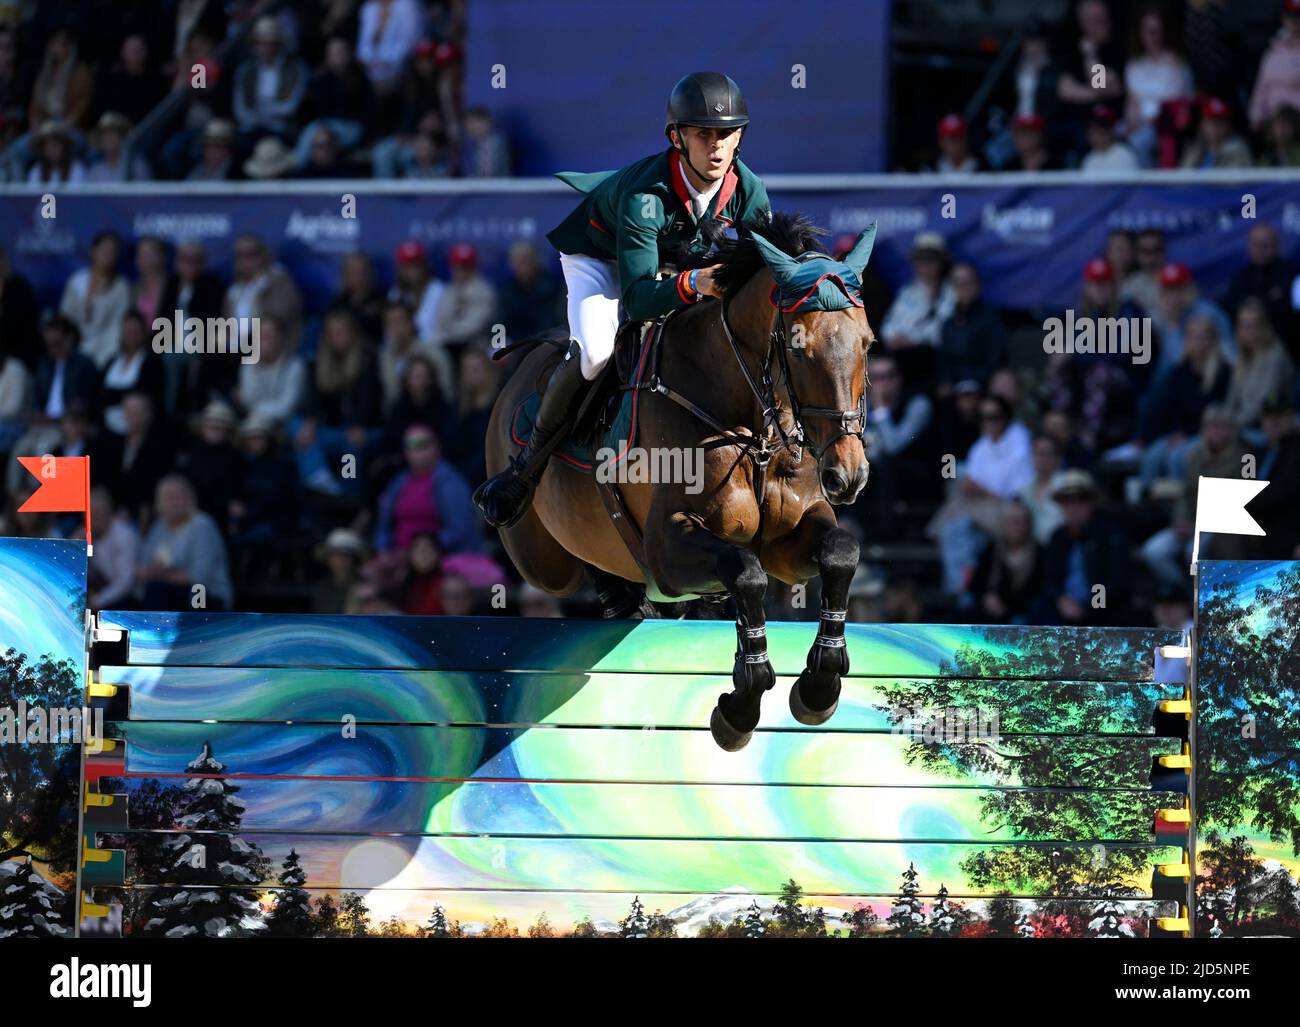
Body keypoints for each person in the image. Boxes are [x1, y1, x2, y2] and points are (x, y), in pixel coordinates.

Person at [475, 72, 770, 527]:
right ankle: (525, 468)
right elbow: (636, 300)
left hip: (667, 264)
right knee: (597, 351)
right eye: (703, 134)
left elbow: (766, 267)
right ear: (677, 137)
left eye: (726, 134)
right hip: (599, 260)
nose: (716, 146)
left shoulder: (747, 191)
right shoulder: (645, 196)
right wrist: (694, 285)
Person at [1035, 469, 1130, 625]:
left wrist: (1088, 606)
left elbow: (1117, 582)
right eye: (1067, 500)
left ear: (1092, 502)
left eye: (1081, 499)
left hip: (1101, 614)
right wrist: (1061, 600)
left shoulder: (1110, 535)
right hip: (1062, 613)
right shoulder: (1058, 537)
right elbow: (1050, 580)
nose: (1074, 507)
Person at [375, 423, 482, 554]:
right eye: (411, 445)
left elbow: (459, 530)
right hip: (399, 557)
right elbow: (383, 526)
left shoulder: (450, 481)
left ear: (437, 446)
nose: (417, 451)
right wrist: (384, 550)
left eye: (423, 444)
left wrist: (419, 552)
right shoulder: (399, 480)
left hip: (440, 557)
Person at [136, 474, 233, 610]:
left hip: (205, 596)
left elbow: (198, 577)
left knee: (158, 589)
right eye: (168, 497)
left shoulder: (202, 525)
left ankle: (162, 630)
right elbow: (143, 568)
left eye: (179, 496)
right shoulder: (159, 527)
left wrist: (157, 574)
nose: (174, 502)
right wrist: (152, 573)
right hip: (172, 592)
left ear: (190, 499)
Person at [1122, 8, 1193, 164]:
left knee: (1138, 142)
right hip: (1135, 122)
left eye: (1156, 31)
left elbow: (1172, 104)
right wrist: (1131, 122)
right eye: (1148, 31)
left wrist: (1141, 125)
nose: (1152, 36)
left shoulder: (1176, 63)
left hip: (1165, 124)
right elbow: (1129, 99)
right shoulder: (1132, 65)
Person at [60, 230, 130, 369]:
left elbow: (117, 325)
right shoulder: (77, 281)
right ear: (93, 251)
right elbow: (65, 316)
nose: (108, 255)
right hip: (73, 347)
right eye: (105, 249)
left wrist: (94, 350)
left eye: (113, 252)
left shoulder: (121, 286)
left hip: (105, 351)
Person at [232, 16, 308, 144]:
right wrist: (259, 116)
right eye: (260, 43)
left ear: (278, 44)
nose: (264, 48)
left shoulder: (295, 69)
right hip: (251, 127)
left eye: (269, 43)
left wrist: (263, 110)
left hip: (281, 128)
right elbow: (240, 109)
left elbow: (291, 106)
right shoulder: (246, 71)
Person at [1225, 298, 1294, 432]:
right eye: (1244, 325)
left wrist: (1233, 424)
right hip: (1239, 424)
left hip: (1267, 427)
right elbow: (1232, 397)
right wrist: (1224, 420)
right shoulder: (1243, 355)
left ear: (1265, 326)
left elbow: (1263, 403)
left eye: (1253, 325)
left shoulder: (1275, 356)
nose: (1249, 331)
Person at [967, 500, 1043, 623]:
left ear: (1029, 524)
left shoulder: (1040, 553)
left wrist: (1009, 607)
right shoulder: (991, 550)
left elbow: (1040, 593)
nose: (1017, 526)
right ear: (1003, 524)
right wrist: (986, 597)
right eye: (1012, 522)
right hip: (989, 612)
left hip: (1024, 615)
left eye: (1021, 521)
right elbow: (976, 583)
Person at [1248, 393, 1300, 558]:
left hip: (1288, 527)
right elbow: (1244, 482)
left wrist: (1247, 499)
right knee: (1219, 537)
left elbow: (1285, 489)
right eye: (1270, 417)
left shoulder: (1296, 450)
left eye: (1281, 416)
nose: (1275, 422)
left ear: (1292, 418)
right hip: (1258, 523)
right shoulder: (1254, 453)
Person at [938, 262, 1006, 386]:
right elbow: (944, 361)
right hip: (954, 386)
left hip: (983, 383)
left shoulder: (991, 320)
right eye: (958, 283)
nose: (963, 288)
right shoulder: (948, 323)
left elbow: (995, 361)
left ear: (977, 285)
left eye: (967, 282)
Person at [1249, 0, 1300, 133]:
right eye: (1290, 16)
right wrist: (1256, 114)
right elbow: (1261, 86)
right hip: (1271, 122)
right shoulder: (1273, 50)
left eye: (1298, 16)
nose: (1294, 21)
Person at [497, 240, 564, 342]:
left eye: (527, 261)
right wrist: (499, 345)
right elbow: (498, 322)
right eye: (519, 262)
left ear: (537, 262)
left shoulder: (552, 287)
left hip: (546, 343)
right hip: (513, 345)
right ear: (512, 265)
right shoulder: (505, 289)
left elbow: (554, 322)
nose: (524, 266)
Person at [1180, 96, 1252, 169]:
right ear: (1202, 125)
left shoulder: (1238, 151)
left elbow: (1234, 178)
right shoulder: (1194, 149)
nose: (1215, 127)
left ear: (1228, 125)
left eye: (1220, 122)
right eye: (1211, 122)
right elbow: (1183, 176)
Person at [1080, 104, 1138, 173]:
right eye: (1092, 131)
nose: (1096, 136)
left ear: (1111, 130)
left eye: (1101, 130)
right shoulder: (1088, 159)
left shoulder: (1124, 155)